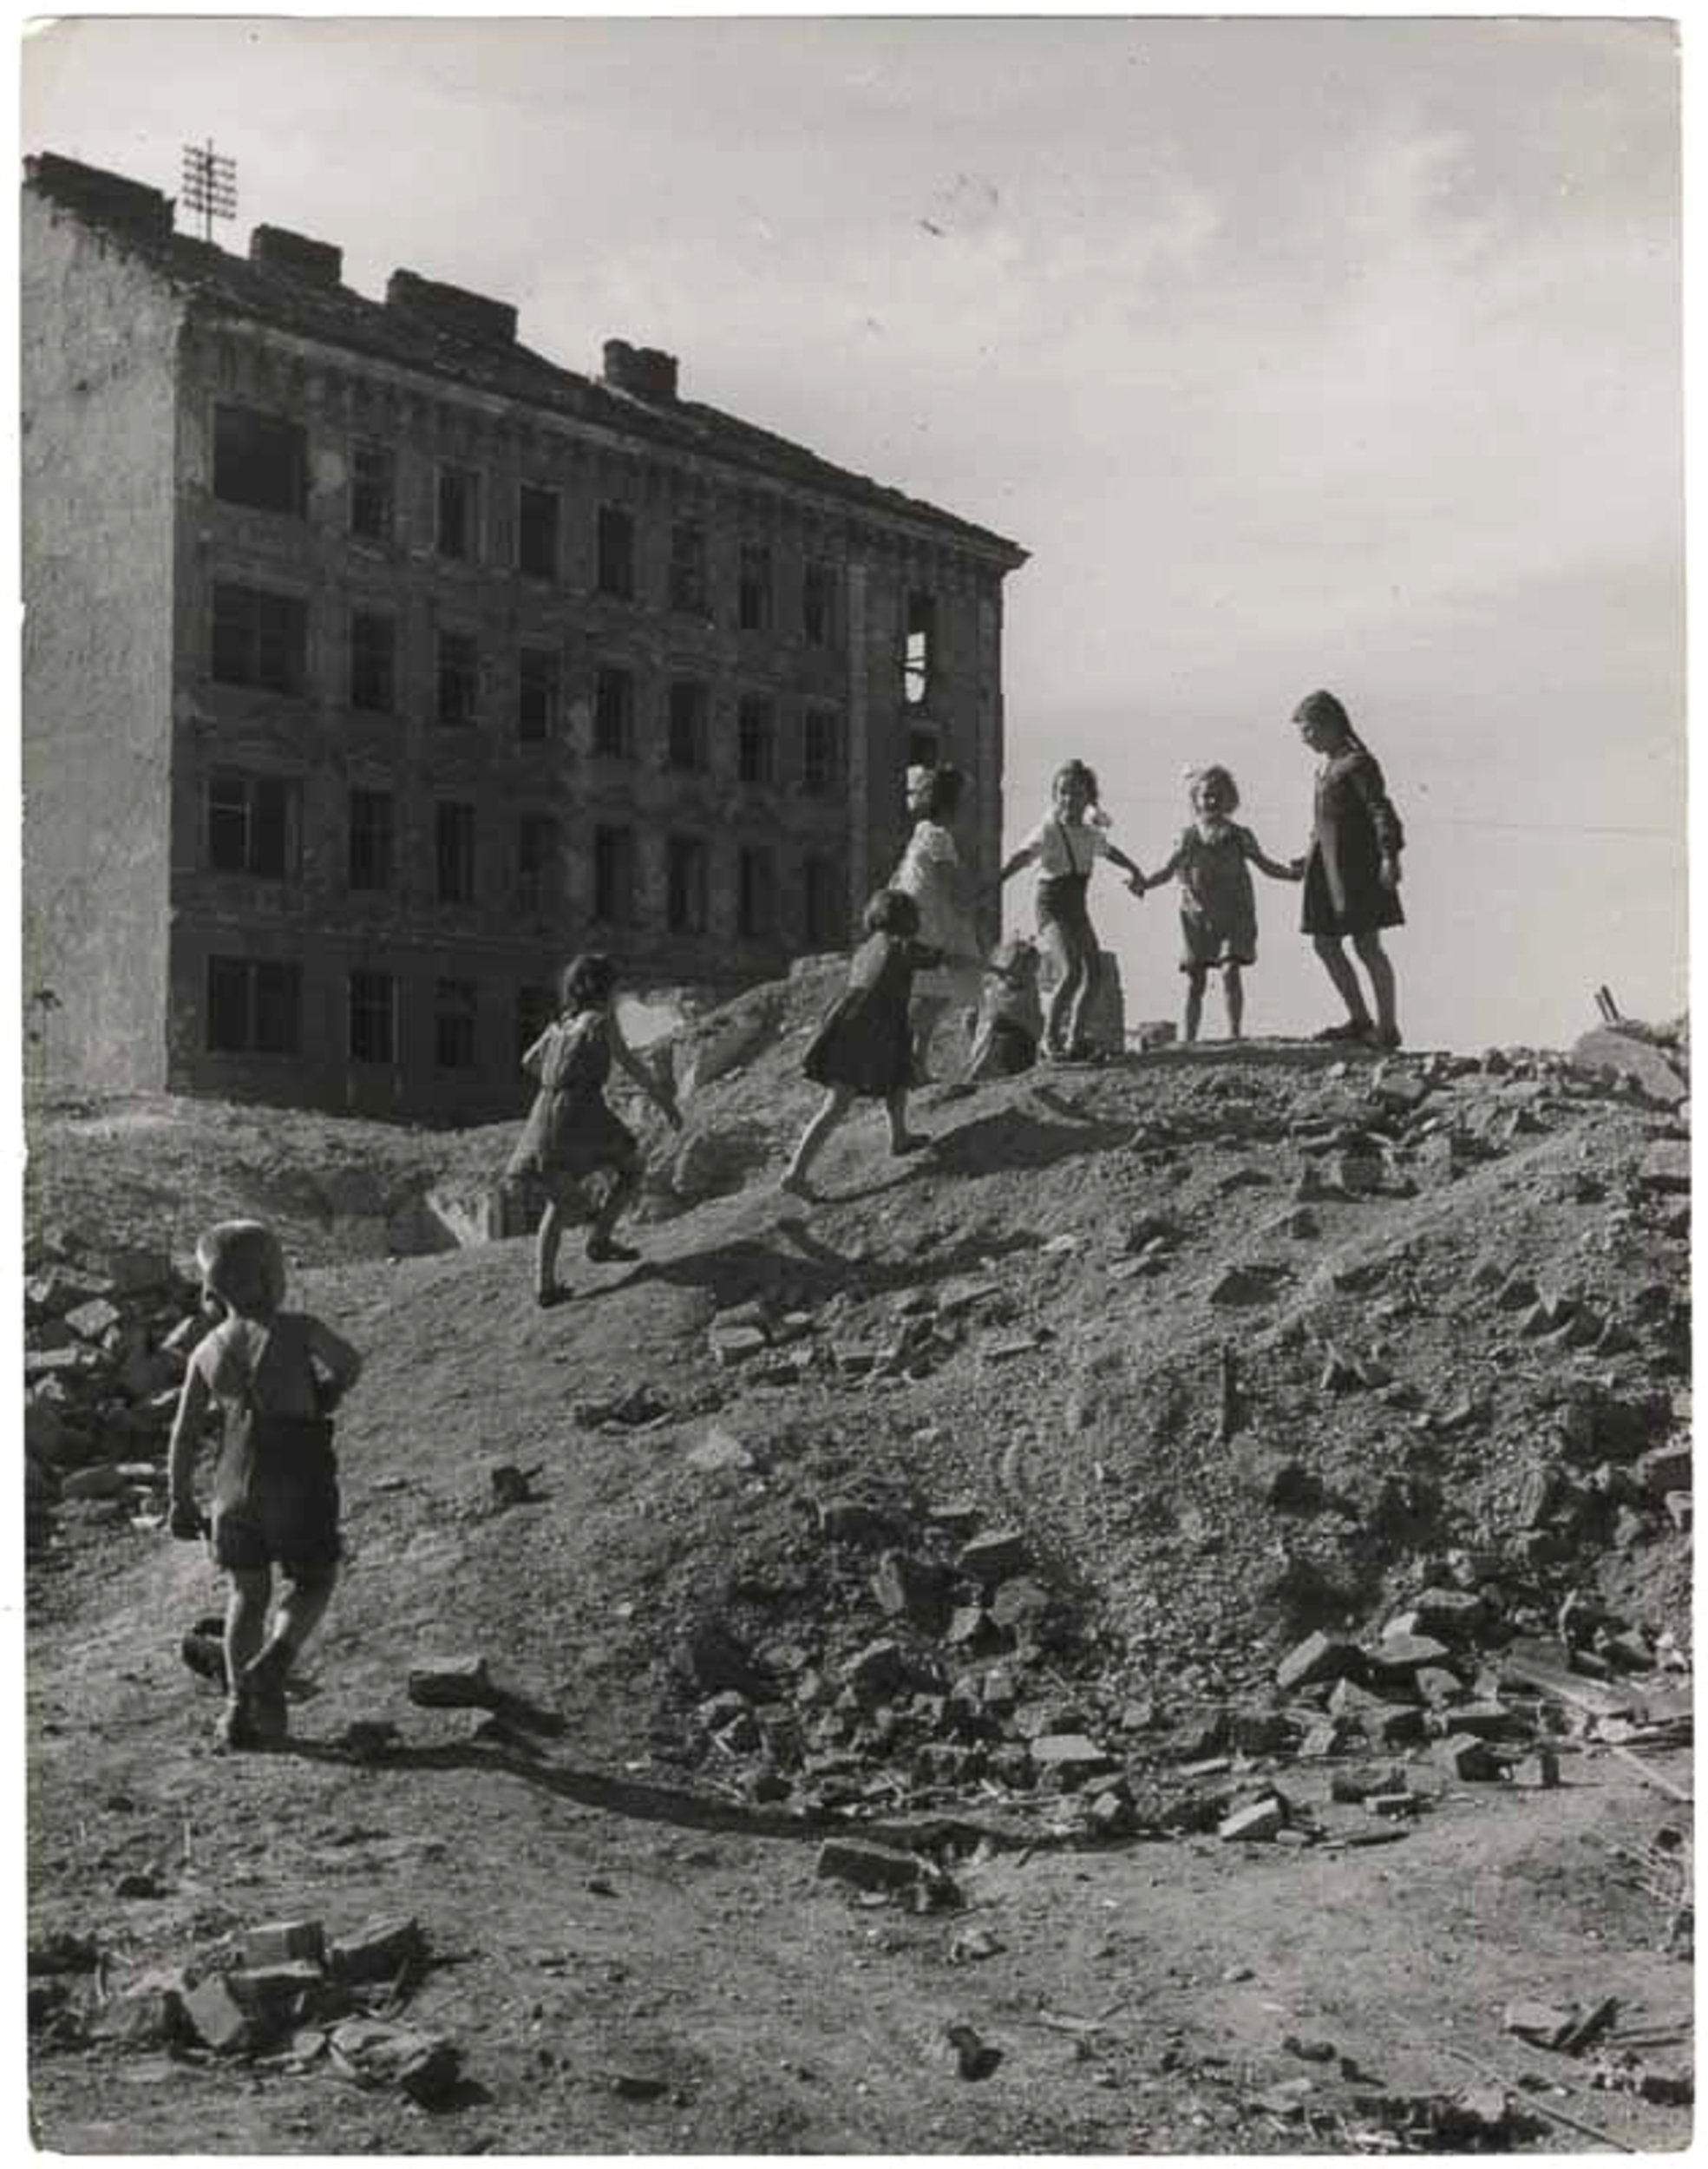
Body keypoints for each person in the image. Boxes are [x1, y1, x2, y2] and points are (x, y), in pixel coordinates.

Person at [167, 1219, 363, 1751]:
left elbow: (184, 1433)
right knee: (315, 1580)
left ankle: (237, 1709)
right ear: (271, 1278)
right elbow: (349, 1364)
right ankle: (275, 1660)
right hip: (298, 1476)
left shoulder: (205, 1351)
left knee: (247, 1595)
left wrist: (179, 1499)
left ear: (213, 1291)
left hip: (231, 1488)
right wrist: (326, 1392)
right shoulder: (299, 1329)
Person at [507, 952, 683, 1307]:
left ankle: (544, 1286)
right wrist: (667, 1104)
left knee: (557, 1200)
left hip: (545, 1114)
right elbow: (631, 1064)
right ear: (605, 988)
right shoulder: (600, 1022)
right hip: (581, 1114)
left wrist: (557, 1079)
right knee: (632, 1167)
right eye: (616, 986)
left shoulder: (560, 1024)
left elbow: (528, 1061)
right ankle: (600, 1238)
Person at [782, 889, 955, 1197]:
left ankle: (899, 1136)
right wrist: (996, 970)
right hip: (870, 1028)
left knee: (898, 1076)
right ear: (906, 919)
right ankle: (795, 1173)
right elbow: (947, 958)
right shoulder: (901, 946)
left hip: (857, 1023)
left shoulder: (867, 947)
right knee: (837, 1104)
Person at [992, 759, 1146, 1062]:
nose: (1068, 799)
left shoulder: (1089, 834)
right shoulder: (1048, 830)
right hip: (1050, 906)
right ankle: (1049, 1040)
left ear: (1089, 797)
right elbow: (1023, 856)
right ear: (1055, 795)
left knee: (1095, 972)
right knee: (1072, 970)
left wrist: (1135, 871)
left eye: (1076, 793)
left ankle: (1076, 1038)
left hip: (1076, 907)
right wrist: (996, 880)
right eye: (1062, 792)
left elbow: (1110, 852)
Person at [1141, 764, 1302, 1042]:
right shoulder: (1188, 836)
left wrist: (1291, 875)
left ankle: (1234, 1034)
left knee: (1230, 970)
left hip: (1235, 914)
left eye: (1219, 795)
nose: (1213, 801)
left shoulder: (1240, 835)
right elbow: (1167, 871)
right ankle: (1189, 1039)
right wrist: (1143, 883)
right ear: (1196, 800)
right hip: (1197, 916)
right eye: (1207, 796)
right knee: (1196, 980)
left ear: (1231, 799)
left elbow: (1265, 865)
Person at [1292, 689, 1406, 1048]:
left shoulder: (1358, 763)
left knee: (1367, 945)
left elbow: (1380, 810)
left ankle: (1387, 1029)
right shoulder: (1324, 769)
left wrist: (1390, 855)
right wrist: (1307, 857)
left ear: (1330, 724)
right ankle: (1360, 1020)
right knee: (1325, 943)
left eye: (1308, 729)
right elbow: (1323, 823)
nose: (1305, 738)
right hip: (1327, 871)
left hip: (1358, 870)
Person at [892, 762, 985, 1082]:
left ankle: (916, 1062)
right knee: (933, 993)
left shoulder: (923, 831)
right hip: (930, 922)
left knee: (935, 993)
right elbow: (949, 883)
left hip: (922, 919)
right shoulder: (939, 836)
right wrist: (970, 905)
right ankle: (904, 1057)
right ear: (952, 803)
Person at [965, 935, 1044, 1082]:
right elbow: (972, 1020)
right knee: (976, 1018)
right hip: (999, 1048)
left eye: (1030, 968)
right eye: (1021, 966)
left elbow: (1034, 1025)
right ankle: (978, 1069)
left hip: (1020, 1049)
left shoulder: (1027, 987)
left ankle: (978, 1072)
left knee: (999, 1026)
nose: (1023, 971)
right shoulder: (992, 988)